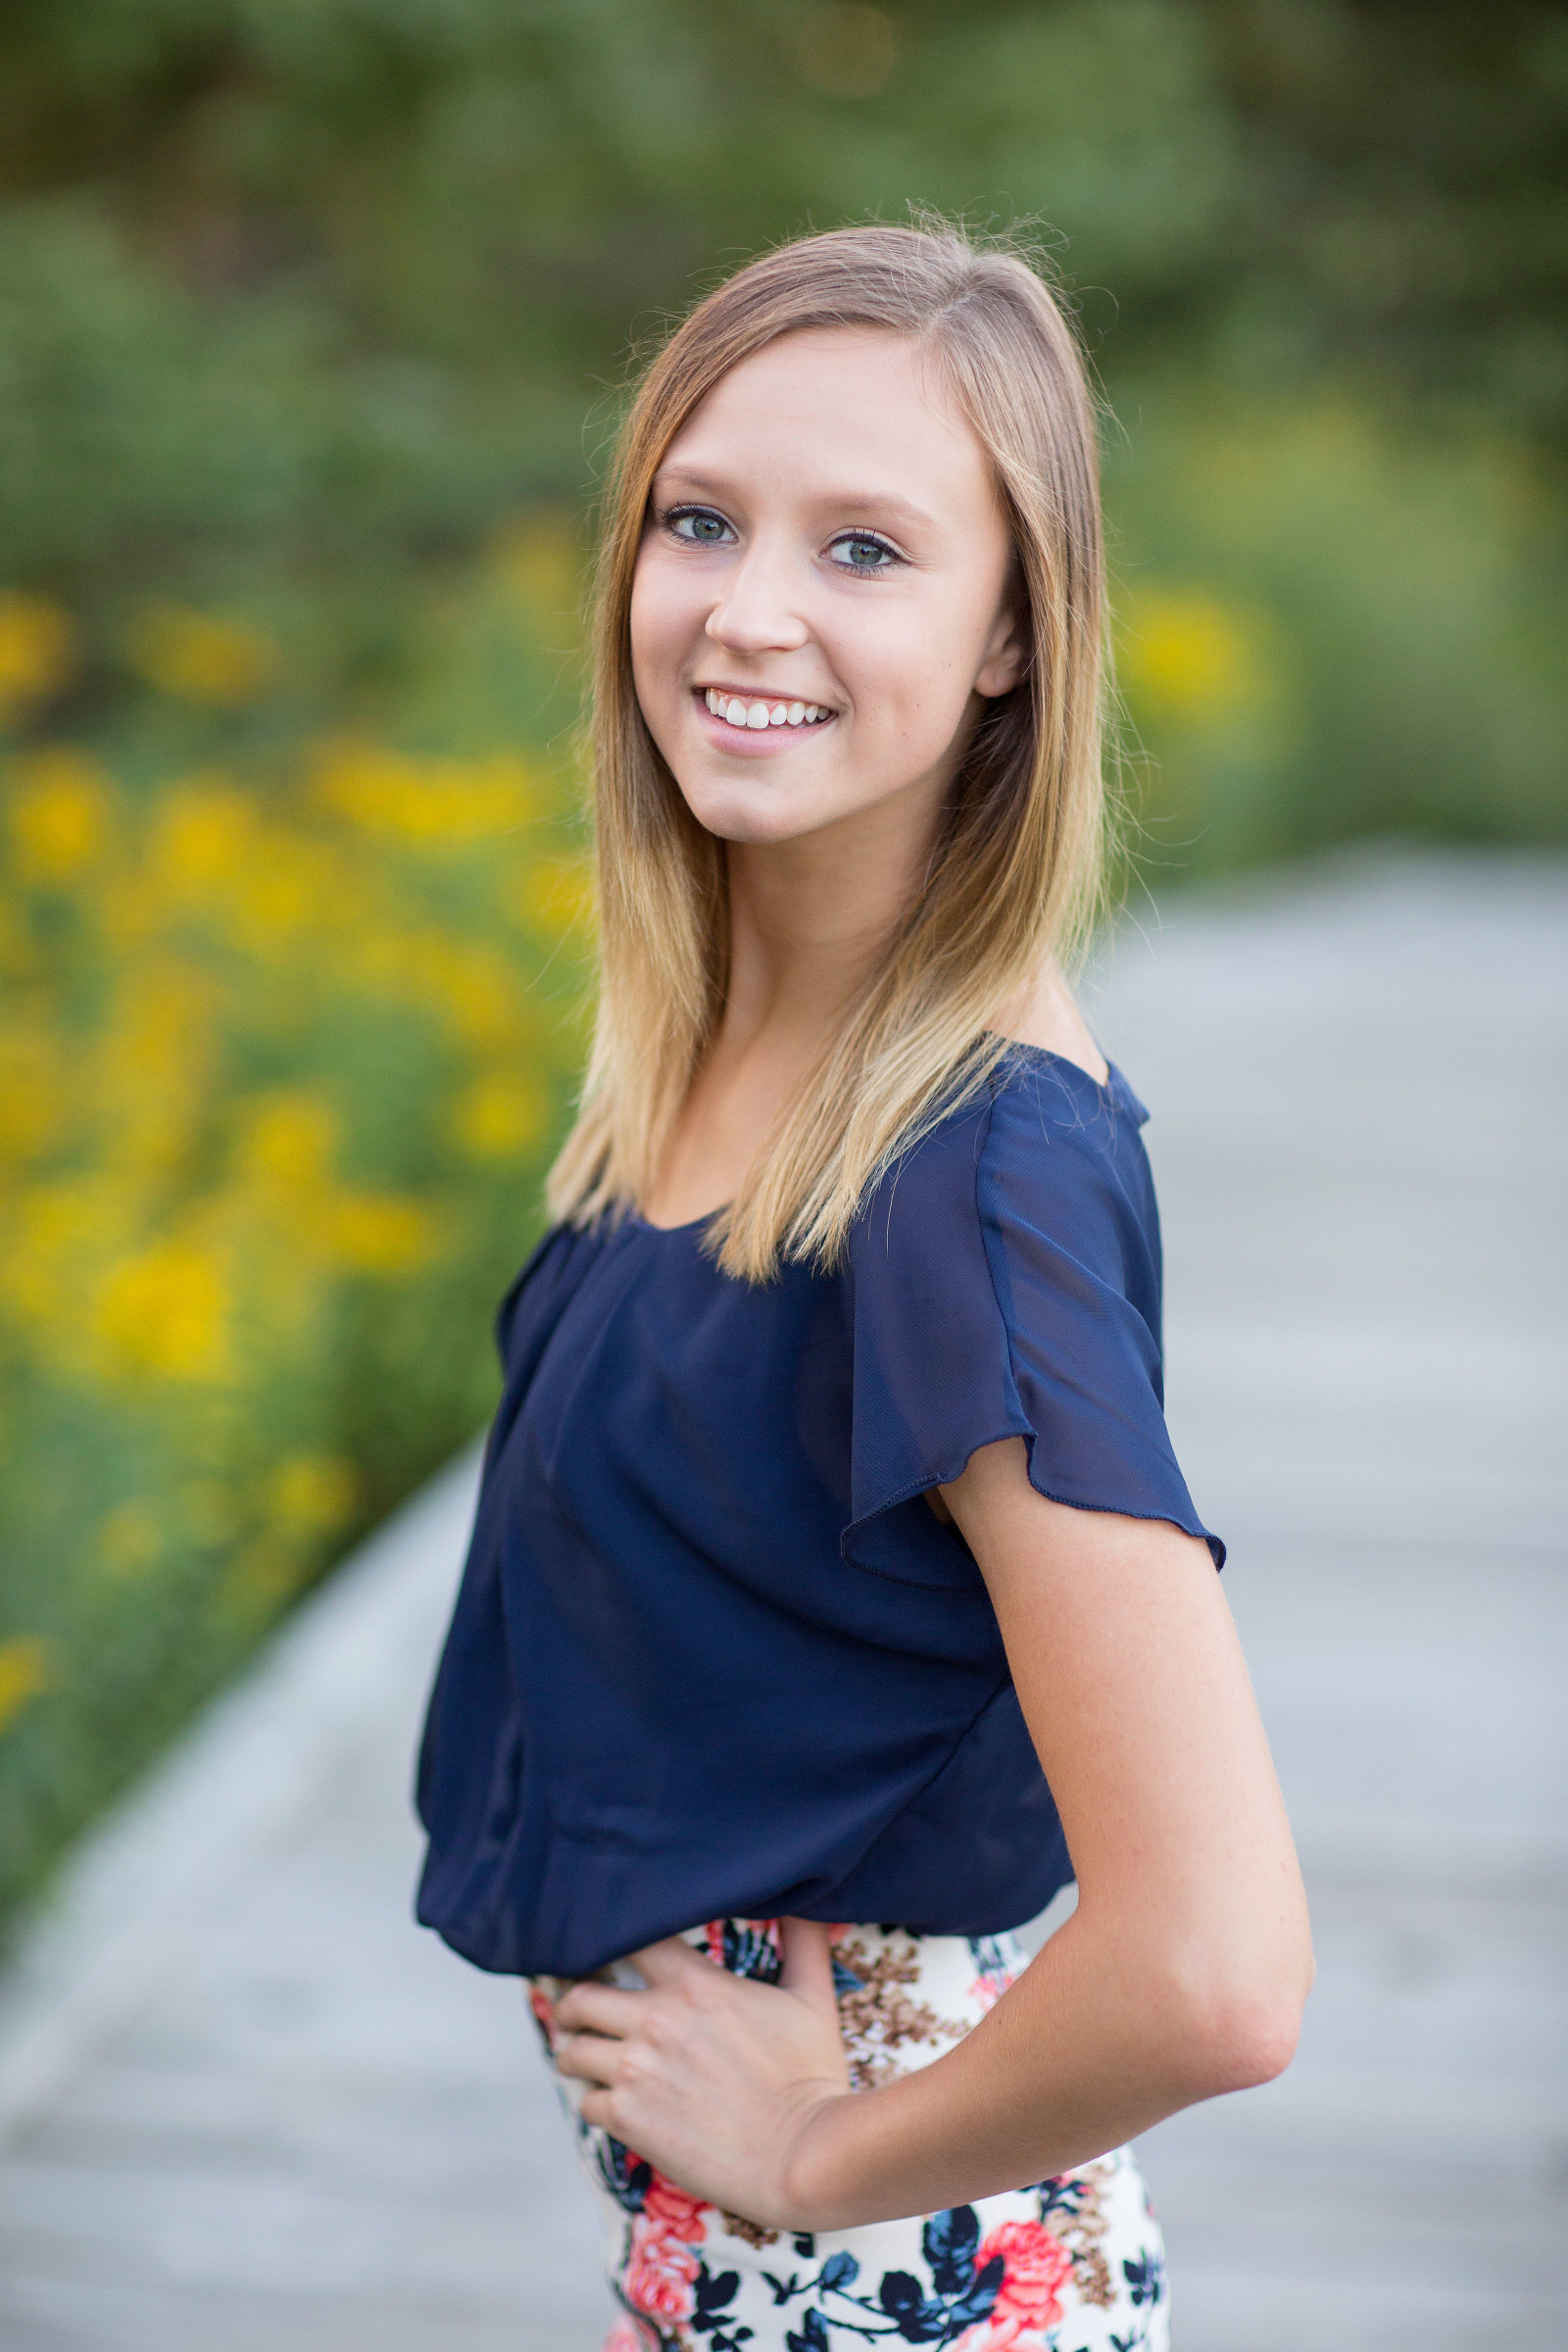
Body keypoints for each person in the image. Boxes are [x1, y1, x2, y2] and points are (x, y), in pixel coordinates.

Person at [415, 220, 1312, 2352]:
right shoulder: (740, 1050)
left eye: (866, 551)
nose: (743, 608)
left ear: (1016, 636)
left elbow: (1215, 1963)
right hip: (728, 2261)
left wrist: (817, 2163)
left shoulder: (965, 1177)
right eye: (699, 520)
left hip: (876, 2277)